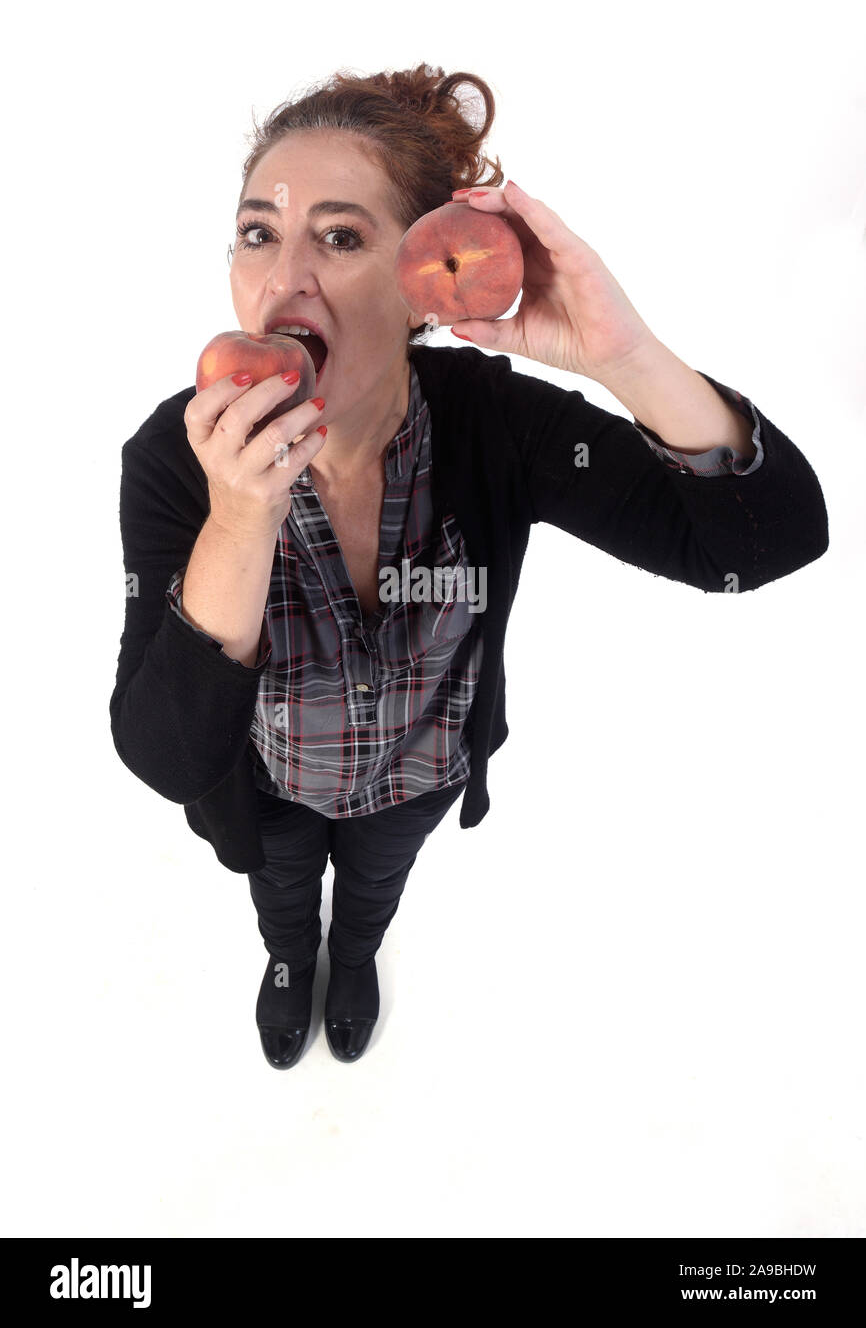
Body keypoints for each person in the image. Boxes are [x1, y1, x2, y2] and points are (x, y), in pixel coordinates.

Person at [110, 64, 829, 1070]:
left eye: (342, 235)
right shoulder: (175, 459)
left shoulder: (496, 424)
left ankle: (351, 959)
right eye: (259, 233)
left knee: (370, 889)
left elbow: (761, 544)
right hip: (267, 785)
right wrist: (237, 520)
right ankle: (288, 962)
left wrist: (624, 357)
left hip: (417, 776)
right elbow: (167, 757)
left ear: (421, 289)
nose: (283, 280)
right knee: (279, 891)